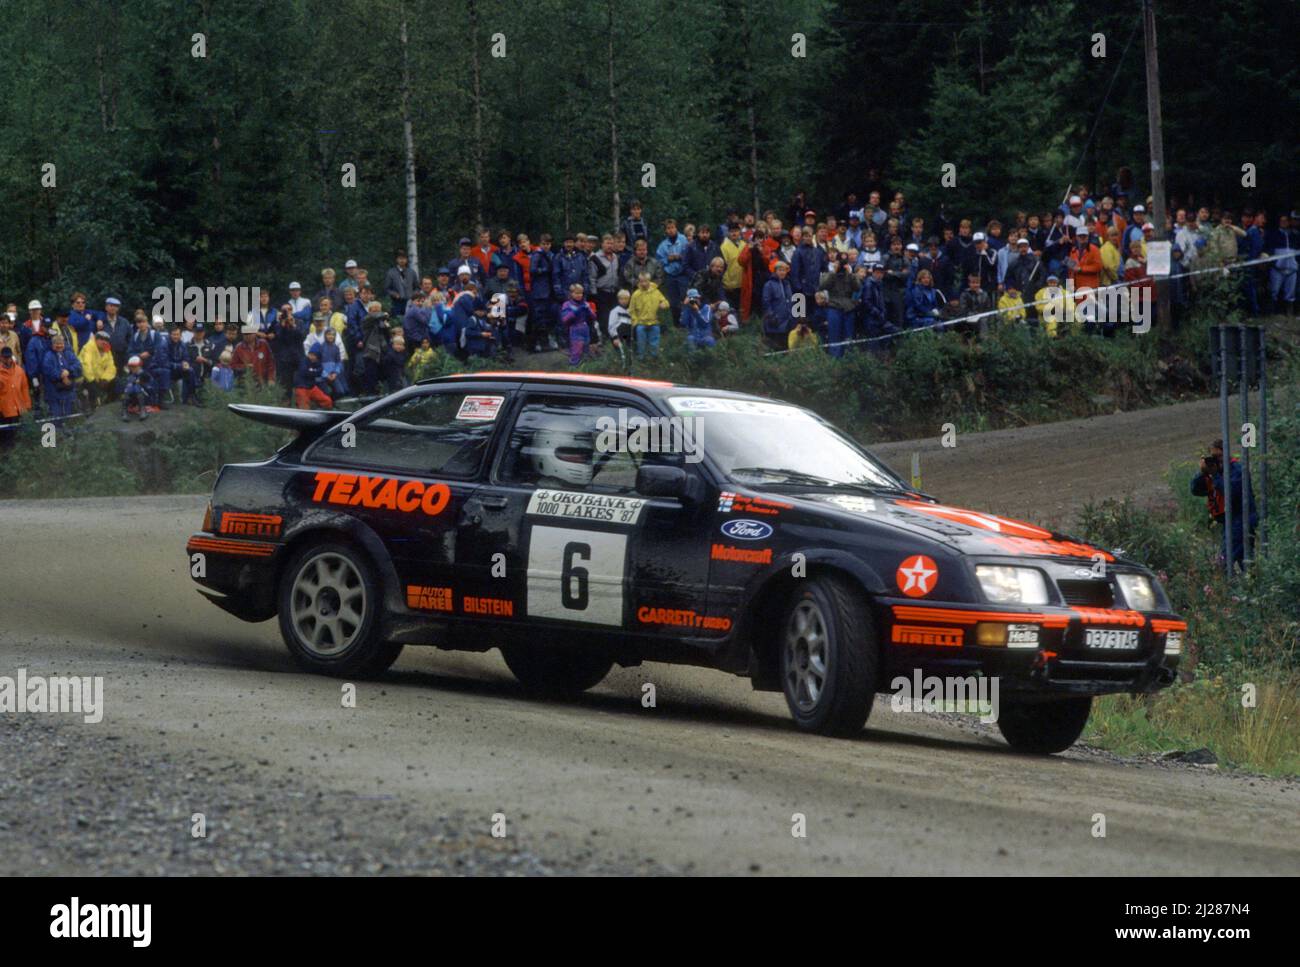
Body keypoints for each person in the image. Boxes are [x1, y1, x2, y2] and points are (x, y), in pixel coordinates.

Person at [1190, 438, 1257, 570]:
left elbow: (1231, 492)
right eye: (1213, 457)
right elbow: (1195, 490)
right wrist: (1202, 473)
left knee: (1224, 564)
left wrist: (1215, 475)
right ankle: (1251, 588)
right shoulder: (1214, 473)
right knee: (1246, 563)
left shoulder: (1237, 470)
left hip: (1241, 521)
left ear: (1227, 454)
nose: (1217, 460)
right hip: (1229, 522)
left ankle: (1227, 588)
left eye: (1219, 456)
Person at [819, 251, 860, 357]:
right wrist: (834, 272)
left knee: (849, 336)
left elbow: (857, 287)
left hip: (848, 307)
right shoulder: (829, 274)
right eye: (839, 262)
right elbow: (822, 286)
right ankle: (835, 361)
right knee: (834, 336)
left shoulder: (850, 275)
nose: (841, 265)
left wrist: (851, 274)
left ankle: (849, 360)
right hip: (834, 307)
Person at [40, 332, 82, 419]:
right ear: (52, 345)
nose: (59, 346)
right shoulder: (48, 356)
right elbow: (48, 371)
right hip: (54, 393)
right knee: (56, 418)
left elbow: (78, 366)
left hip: (69, 392)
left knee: (70, 418)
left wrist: (69, 371)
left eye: (61, 343)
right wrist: (61, 375)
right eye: (57, 344)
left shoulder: (69, 354)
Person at [629, 272, 669, 358]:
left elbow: (665, 302)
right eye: (641, 281)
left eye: (645, 281)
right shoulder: (636, 294)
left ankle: (654, 358)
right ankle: (641, 359)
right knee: (641, 342)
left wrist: (663, 304)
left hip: (654, 322)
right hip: (641, 323)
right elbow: (631, 310)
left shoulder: (656, 292)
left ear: (649, 281)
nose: (643, 283)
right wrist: (635, 322)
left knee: (654, 342)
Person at [0, 346, 32, 448]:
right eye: (5, 357)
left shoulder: (19, 371)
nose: (7, 360)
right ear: (1, 358)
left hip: (19, 409)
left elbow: (25, 389)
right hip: (4, 411)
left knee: (19, 436)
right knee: (6, 439)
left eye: (9, 357)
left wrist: (27, 406)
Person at [761, 260, 795, 350]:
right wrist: (771, 316)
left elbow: (791, 300)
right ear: (775, 271)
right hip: (775, 320)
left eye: (784, 270)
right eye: (780, 270)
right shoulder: (769, 285)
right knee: (775, 346)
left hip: (787, 320)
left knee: (786, 345)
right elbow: (766, 302)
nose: (782, 272)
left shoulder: (787, 284)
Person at [78, 330, 117, 410]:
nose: (104, 342)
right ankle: (90, 409)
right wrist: (92, 380)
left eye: (106, 340)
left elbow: (111, 367)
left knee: (116, 383)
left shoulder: (107, 350)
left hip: (99, 378)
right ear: (96, 339)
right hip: (85, 378)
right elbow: (86, 365)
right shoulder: (88, 347)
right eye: (101, 339)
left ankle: (108, 405)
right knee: (92, 389)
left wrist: (105, 379)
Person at [558, 283, 595, 366]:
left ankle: (586, 369)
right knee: (576, 351)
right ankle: (574, 368)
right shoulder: (567, 304)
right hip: (574, 329)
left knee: (586, 351)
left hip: (585, 328)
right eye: (577, 293)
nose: (579, 295)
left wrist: (589, 310)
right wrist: (575, 312)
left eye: (581, 293)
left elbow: (593, 317)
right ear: (571, 293)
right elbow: (565, 319)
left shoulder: (585, 303)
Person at [231, 322, 277, 387]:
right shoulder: (238, 348)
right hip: (246, 384)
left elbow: (271, 363)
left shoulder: (264, 344)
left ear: (255, 333)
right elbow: (232, 365)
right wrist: (245, 367)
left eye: (249, 333)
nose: (247, 336)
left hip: (263, 382)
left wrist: (271, 378)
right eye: (245, 334)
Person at [384, 249, 419, 317]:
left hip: (410, 302)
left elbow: (417, 287)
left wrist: (413, 295)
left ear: (406, 260)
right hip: (396, 303)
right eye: (400, 258)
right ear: (397, 260)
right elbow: (386, 289)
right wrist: (394, 294)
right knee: (397, 321)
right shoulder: (391, 273)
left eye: (404, 258)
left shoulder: (412, 272)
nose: (402, 260)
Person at [607, 289, 633, 368]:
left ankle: (630, 366)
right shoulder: (615, 311)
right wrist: (615, 337)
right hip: (618, 335)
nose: (624, 301)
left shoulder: (630, 311)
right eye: (621, 299)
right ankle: (623, 367)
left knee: (629, 350)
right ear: (618, 299)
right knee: (622, 352)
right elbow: (611, 325)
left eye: (626, 299)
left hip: (628, 335)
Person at [120, 356, 153, 420]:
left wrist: (139, 382)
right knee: (129, 387)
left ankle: (142, 410)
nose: (133, 368)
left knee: (137, 387)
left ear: (140, 366)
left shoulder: (144, 374)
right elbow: (122, 387)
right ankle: (124, 411)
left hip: (144, 397)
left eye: (135, 366)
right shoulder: (129, 375)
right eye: (131, 366)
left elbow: (150, 387)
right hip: (131, 399)